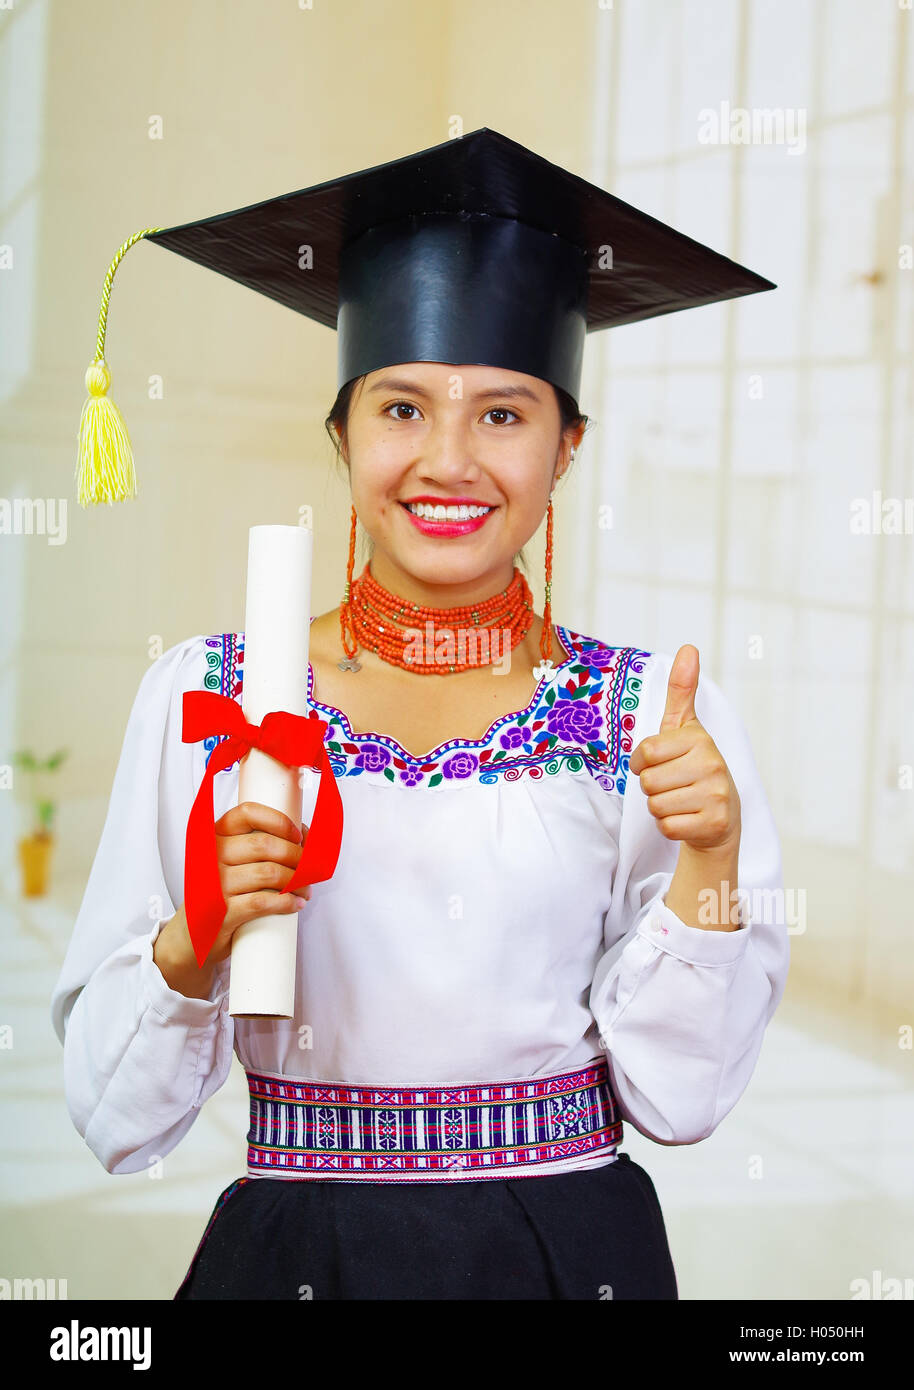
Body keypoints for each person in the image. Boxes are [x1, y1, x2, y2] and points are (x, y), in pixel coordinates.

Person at [52, 128, 788, 1300]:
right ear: (342, 434)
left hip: (565, 1256)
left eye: (503, 415)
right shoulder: (214, 700)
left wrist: (710, 857)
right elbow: (111, 1116)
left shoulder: (647, 713)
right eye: (400, 408)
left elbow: (680, 1102)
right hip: (299, 1254)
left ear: (567, 449)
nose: (448, 462)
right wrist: (192, 943)